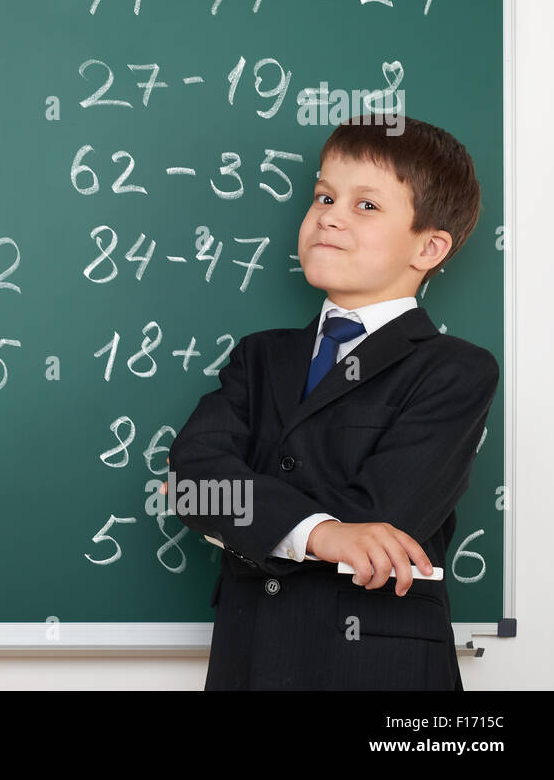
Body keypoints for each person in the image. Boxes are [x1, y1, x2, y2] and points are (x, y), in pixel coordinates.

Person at [167, 115, 500, 690]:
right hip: (248, 664)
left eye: (366, 206)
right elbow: (195, 482)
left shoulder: (455, 370)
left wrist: (252, 506)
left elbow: (384, 523)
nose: (330, 215)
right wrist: (321, 532)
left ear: (429, 246)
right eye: (324, 195)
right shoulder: (259, 358)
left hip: (377, 670)